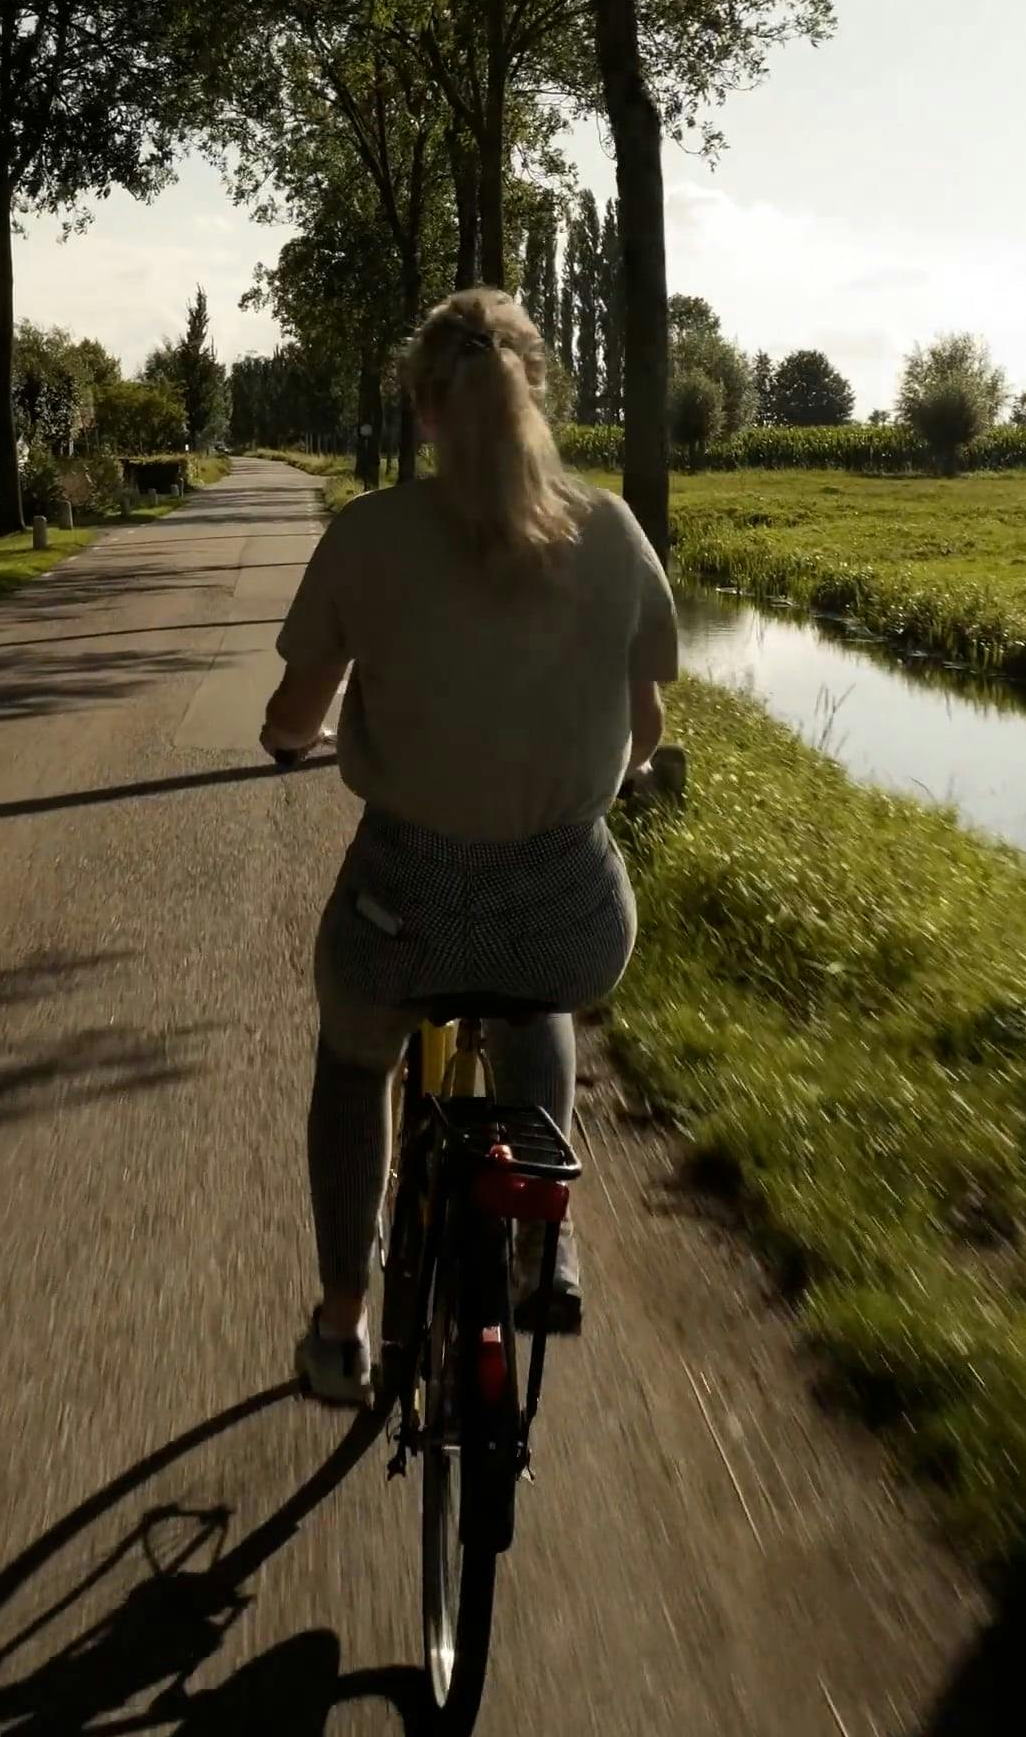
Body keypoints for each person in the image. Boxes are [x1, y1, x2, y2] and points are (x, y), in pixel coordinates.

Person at [258, 287, 677, 1406]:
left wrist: (289, 740)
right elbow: (644, 727)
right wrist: (603, 771)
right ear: (538, 393)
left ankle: (341, 1328)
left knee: (356, 1064)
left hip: (405, 905)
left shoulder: (368, 534)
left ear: (423, 409)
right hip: (569, 908)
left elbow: (298, 713)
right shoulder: (611, 531)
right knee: (538, 1003)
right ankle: (546, 1237)